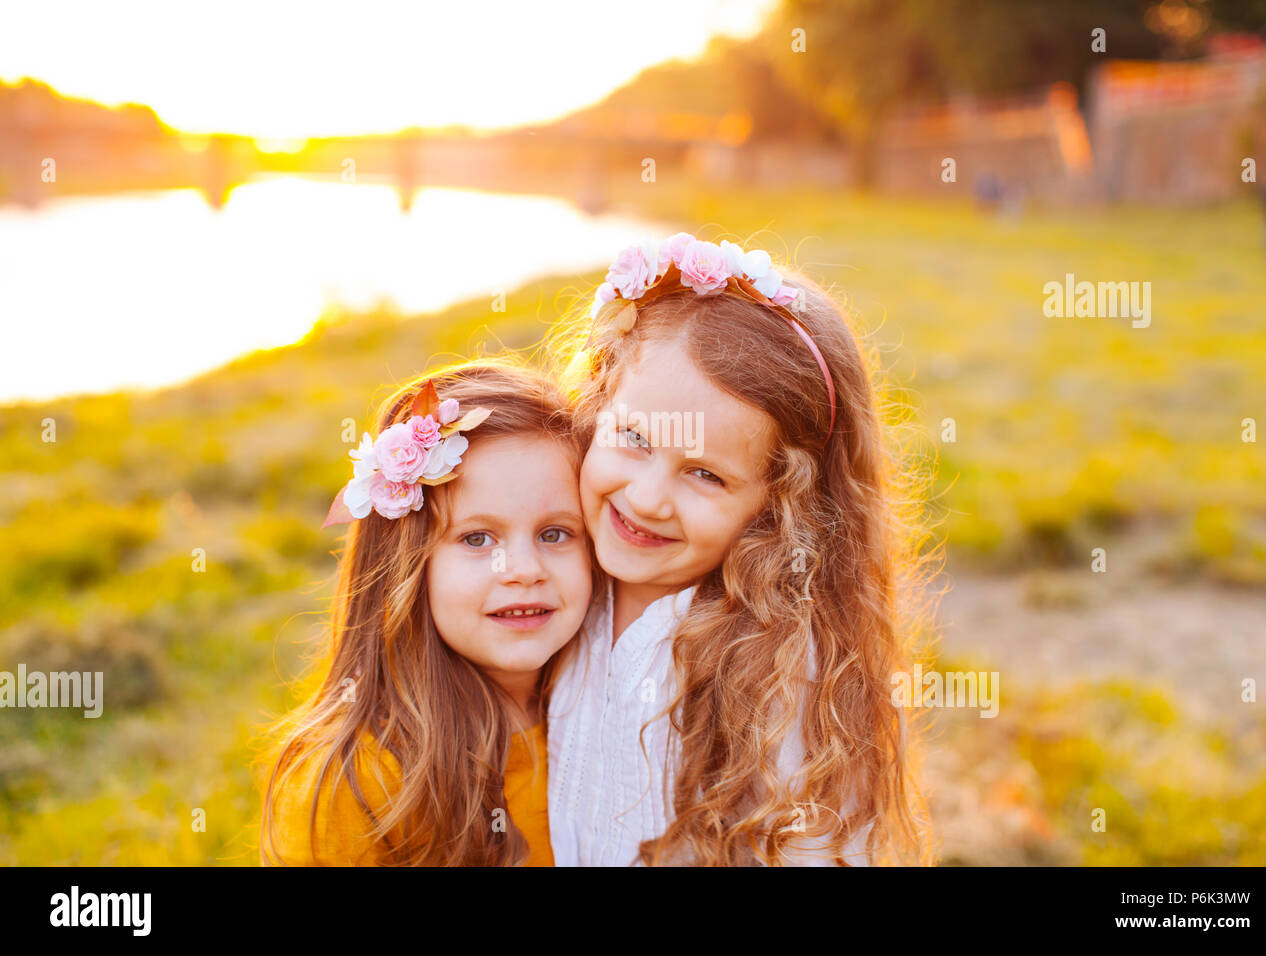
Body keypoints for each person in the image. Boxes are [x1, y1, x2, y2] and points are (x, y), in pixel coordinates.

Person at [546, 233, 936, 865]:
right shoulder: (558, 577)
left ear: (779, 504)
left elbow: (813, 849)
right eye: (634, 439)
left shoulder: (776, 663)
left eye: (705, 475)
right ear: (597, 406)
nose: (647, 498)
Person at [259, 359, 594, 865]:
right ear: (409, 565)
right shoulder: (361, 781)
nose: (524, 570)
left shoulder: (611, 710)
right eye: (477, 539)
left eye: (555, 533)